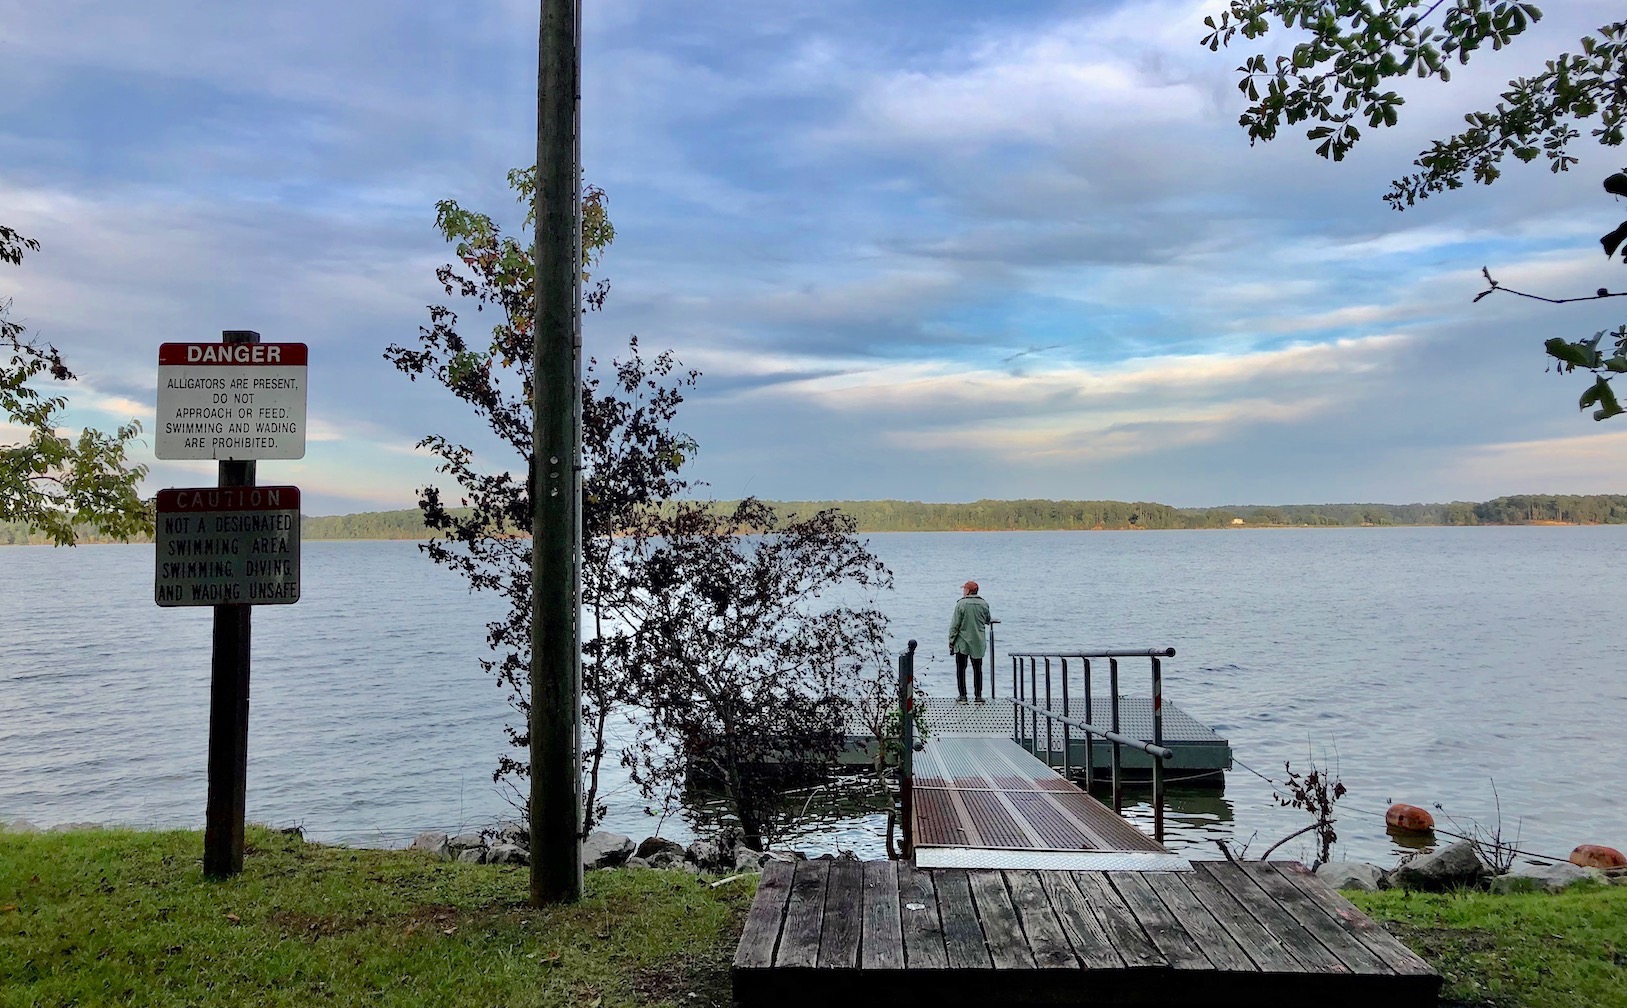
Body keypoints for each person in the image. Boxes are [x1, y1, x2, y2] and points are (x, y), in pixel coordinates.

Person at [948, 580, 992, 703]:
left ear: (968, 591)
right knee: (978, 669)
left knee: (961, 669)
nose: (963, 591)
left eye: (964, 589)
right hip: (978, 641)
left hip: (962, 642)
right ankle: (978, 695)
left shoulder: (961, 605)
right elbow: (987, 619)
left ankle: (963, 695)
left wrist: (951, 640)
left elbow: (955, 625)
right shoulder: (984, 604)